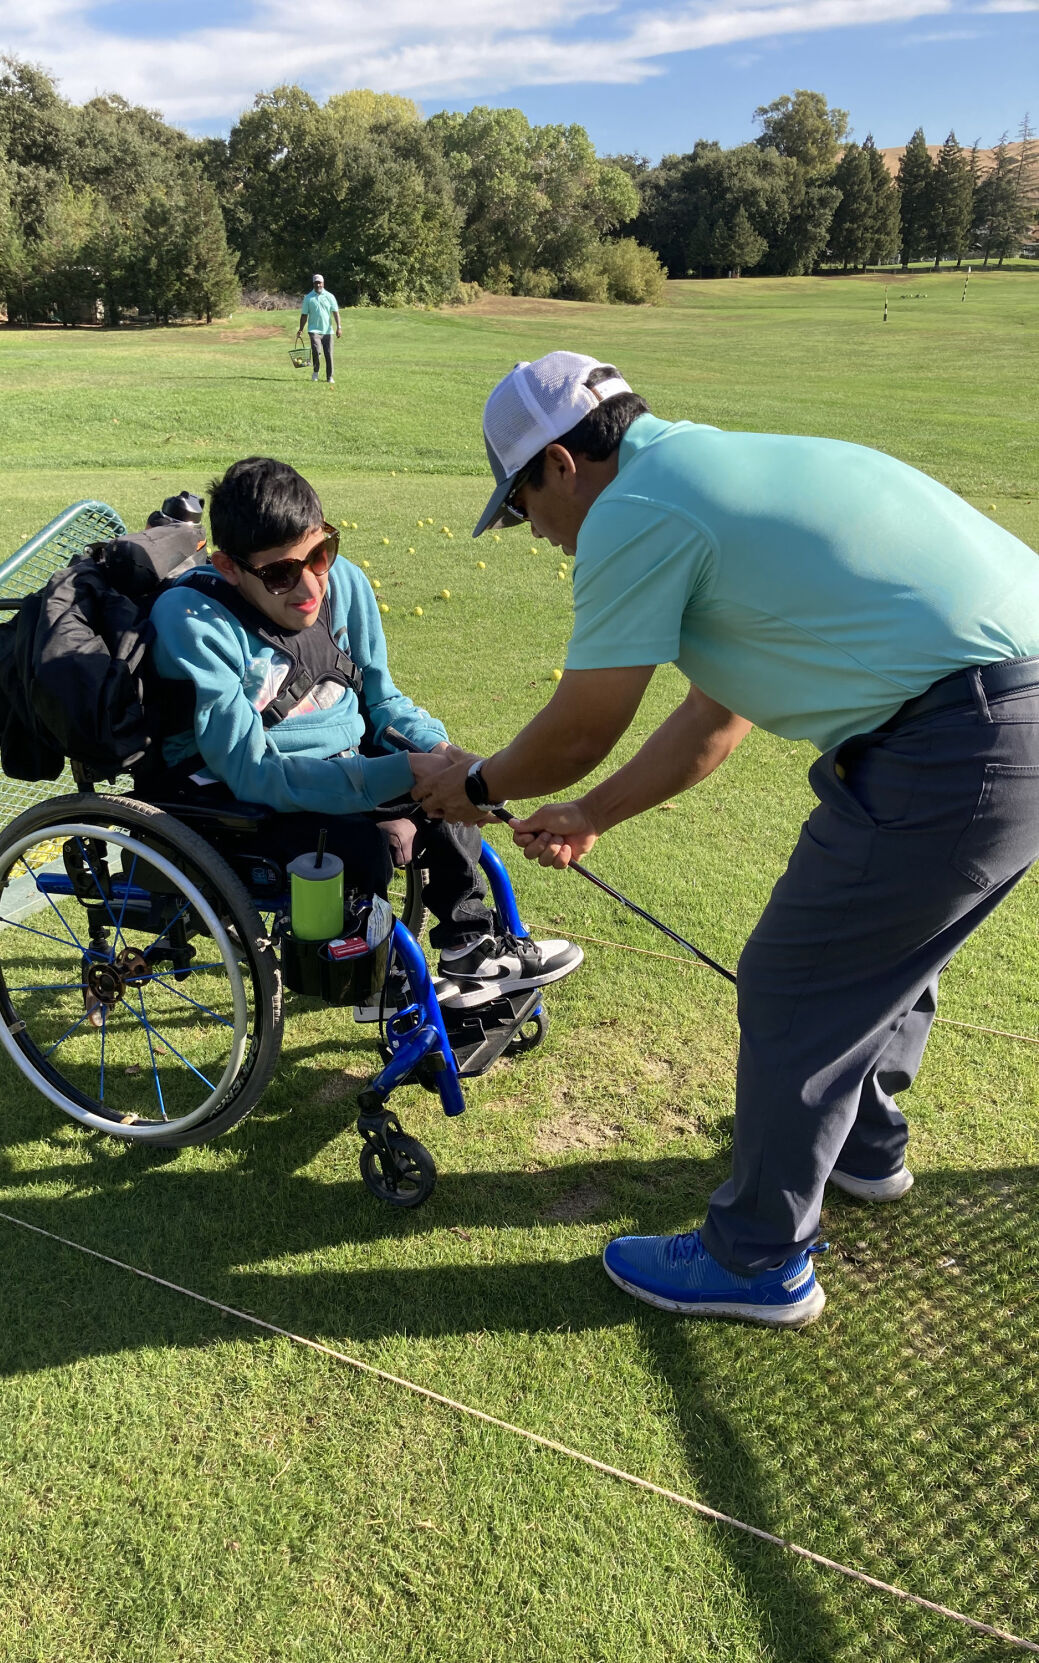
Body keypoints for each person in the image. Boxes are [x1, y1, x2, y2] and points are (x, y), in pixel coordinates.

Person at [411, 350, 1039, 1327]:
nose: (532, 532)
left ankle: (756, 1260)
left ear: (561, 467)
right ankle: (861, 1148)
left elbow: (581, 725)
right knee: (882, 952)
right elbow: (717, 714)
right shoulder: (698, 472)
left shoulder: (632, 510)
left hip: (964, 734)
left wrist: (476, 783)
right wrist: (593, 814)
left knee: (794, 978)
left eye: (520, 504)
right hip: (1000, 715)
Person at [145, 456, 581, 1016]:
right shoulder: (192, 621)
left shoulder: (344, 584)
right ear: (229, 567)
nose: (309, 587)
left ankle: (471, 947)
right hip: (242, 792)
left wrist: (440, 753)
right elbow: (254, 771)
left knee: (449, 795)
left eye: (319, 555)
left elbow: (382, 702)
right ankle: (381, 987)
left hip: (344, 759)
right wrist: (398, 773)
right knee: (359, 840)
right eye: (280, 573)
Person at [296, 276, 341, 385]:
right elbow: (304, 315)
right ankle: (315, 372)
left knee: (329, 354)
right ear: (313, 284)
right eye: (316, 283)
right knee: (316, 351)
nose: (318, 285)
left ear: (323, 283)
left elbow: (335, 312)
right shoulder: (308, 298)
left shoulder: (330, 296)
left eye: (320, 283)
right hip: (314, 330)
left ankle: (329, 377)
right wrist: (301, 329)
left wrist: (339, 327)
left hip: (327, 331)